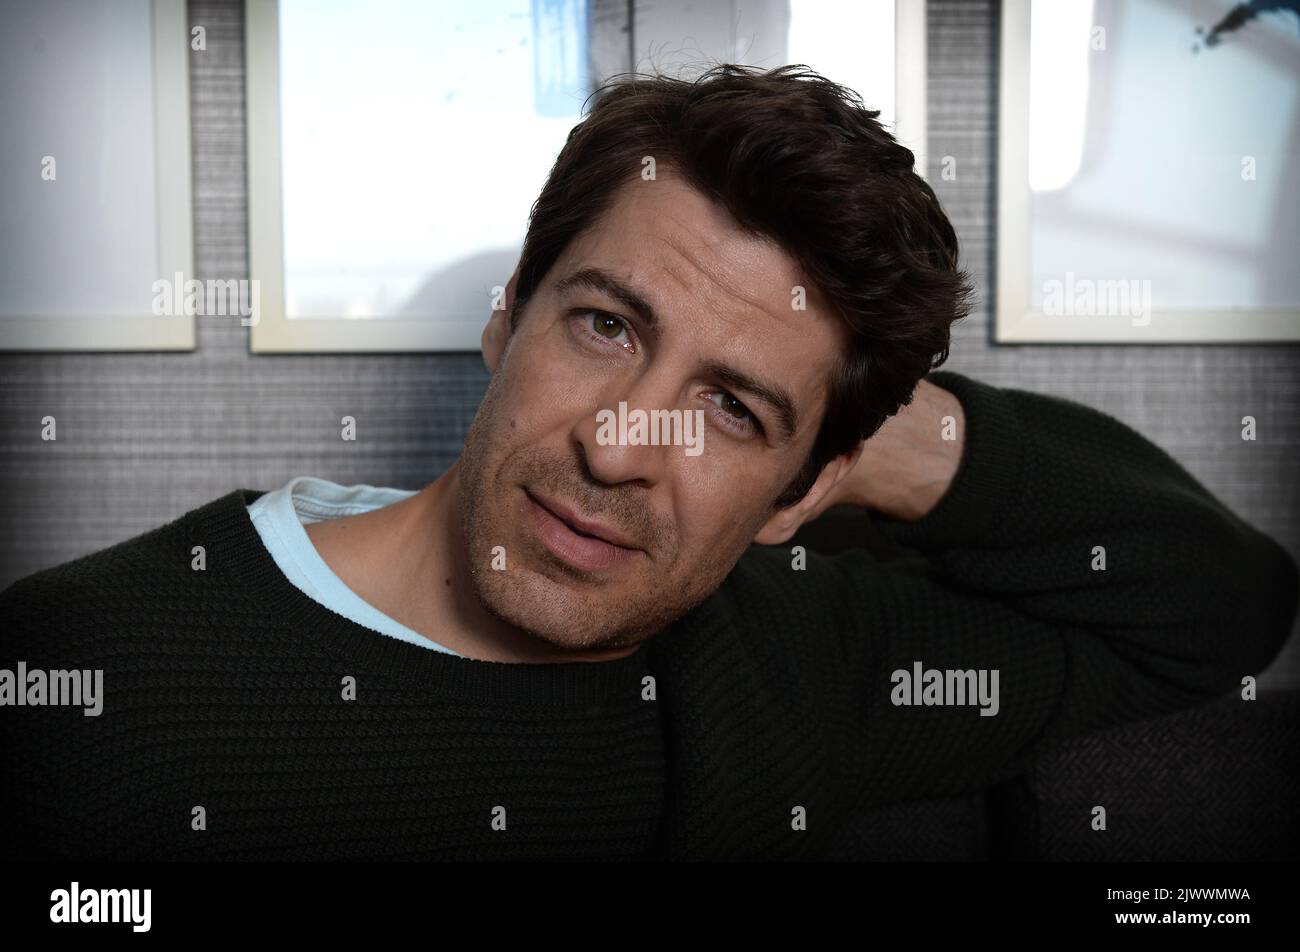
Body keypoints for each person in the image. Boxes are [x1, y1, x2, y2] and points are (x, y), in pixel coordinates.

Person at [1, 65, 1295, 860]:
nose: (620, 445)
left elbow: (1214, 610)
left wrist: (900, 445)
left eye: (733, 410)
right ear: (508, 314)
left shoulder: (796, 657)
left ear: (804, 491)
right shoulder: (93, 670)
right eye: (606, 325)